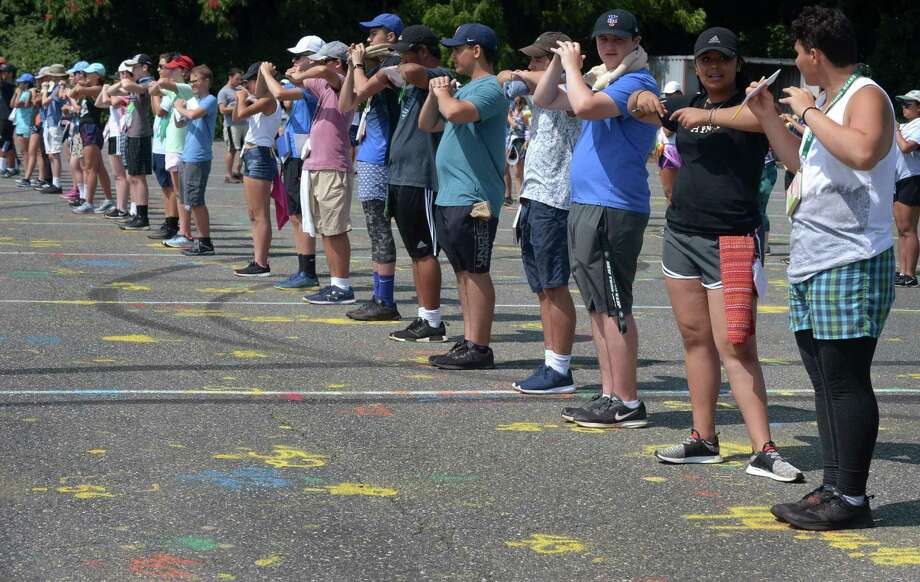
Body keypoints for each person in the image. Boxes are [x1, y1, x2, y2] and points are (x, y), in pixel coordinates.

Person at [746, 6, 897, 530]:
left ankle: (851, 498)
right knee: (823, 378)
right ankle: (834, 486)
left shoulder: (865, 95)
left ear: (814, 52)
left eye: (797, 51)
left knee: (846, 379)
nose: (794, 61)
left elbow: (863, 151)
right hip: (815, 257)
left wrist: (809, 112)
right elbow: (799, 164)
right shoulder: (832, 101)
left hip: (852, 257)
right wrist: (768, 115)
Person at [629, 27, 803, 482]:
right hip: (681, 236)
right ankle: (702, 438)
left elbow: (766, 126)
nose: (713, 67)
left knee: (738, 346)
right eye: (705, 60)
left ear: (737, 63)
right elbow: (639, 108)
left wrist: (703, 115)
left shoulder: (754, 106)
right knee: (694, 339)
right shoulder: (685, 101)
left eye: (721, 59)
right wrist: (645, 104)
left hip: (733, 239)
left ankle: (764, 448)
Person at [534, 9, 657, 425]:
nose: (609, 45)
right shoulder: (606, 80)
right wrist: (556, 61)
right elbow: (544, 99)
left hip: (613, 206)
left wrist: (572, 66)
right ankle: (609, 394)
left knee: (614, 307)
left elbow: (583, 107)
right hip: (589, 203)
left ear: (636, 42)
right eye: (603, 39)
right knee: (598, 307)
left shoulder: (634, 82)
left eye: (618, 39)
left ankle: (627, 400)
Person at [420, 23, 507, 370]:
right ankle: (470, 339)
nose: (452, 55)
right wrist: (433, 94)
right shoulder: (465, 89)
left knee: (476, 269)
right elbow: (429, 123)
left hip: (477, 197)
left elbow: (455, 113)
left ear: (477, 50)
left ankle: (481, 348)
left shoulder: (489, 88)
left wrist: (445, 96)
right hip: (453, 196)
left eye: (458, 48)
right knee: (462, 270)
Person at [498, 31, 581, 393]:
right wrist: (517, 75)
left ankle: (560, 368)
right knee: (543, 289)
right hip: (534, 197)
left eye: (538, 59)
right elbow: (507, 82)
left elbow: (531, 82)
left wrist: (524, 74)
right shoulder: (542, 85)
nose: (530, 65)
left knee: (554, 286)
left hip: (556, 199)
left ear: (558, 61)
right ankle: (551, 362)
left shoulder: (575, 88)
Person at [386, 25, 451, 343]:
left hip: (421, 176)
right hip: (402, 176)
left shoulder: (440, 75)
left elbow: (410, 70)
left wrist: (386, 57)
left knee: (425, 251)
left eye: (405, 51)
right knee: (415, 252)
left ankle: (433, 321)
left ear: (423, 52)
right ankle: (425, 315)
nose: (400, 59)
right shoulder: (416, 80)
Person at [338, 13, 404, 320]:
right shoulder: (375, 67)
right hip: (370, 156)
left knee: (380, 229)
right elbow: (345, 105)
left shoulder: (393, 67)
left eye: (373, 33)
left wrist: (360, 64)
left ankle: (385, 300)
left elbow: (363, 91)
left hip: (382, 157)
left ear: (390, 37)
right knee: (374, 228)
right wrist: (353, 65)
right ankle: (380, 296)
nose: (367, 39)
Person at [290, 41, 358, 305]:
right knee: (326, 230)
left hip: (333, 166)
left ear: (336, 63)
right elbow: (297, 79)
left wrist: (307, 70)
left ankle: (342, 286)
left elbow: (321, 74)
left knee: (335, 229)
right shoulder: (324, 84)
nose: (316, 65)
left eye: (322, 61)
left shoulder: (342, 81)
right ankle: (334, 284)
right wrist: (300, 70)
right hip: (317, 164)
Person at [259, 35, 324, 289]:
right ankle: (303, 269)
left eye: (299, 56)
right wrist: (267, 77)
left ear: (313, 59)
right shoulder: (301, 81)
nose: (294, 60)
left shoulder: (313, 83)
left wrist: (267, 73)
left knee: (303, 214)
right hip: (291, 154)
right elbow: (266, 94)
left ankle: (308, 271)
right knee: (296, 213)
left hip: (302, 153)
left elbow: (278, 92)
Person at [231, 62, 283, 274]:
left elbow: (242, 114)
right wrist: (239, 101)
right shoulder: (260, 99)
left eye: (251, 81)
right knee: (253, 213)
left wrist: (241, 99)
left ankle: (261, 263)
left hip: (260, 155)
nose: (249, 86)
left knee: (260, 214)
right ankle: (258, 260)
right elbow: (236, 117)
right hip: (253, 154)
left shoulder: (269, 99)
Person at [172, 65, 219, 257]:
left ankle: (205, 242)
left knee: (196, 201)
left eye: (196, 80)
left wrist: (180, 107)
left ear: (206, 81)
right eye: (190, 81)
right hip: (187, 155)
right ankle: (198, 239)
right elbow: (181, 121)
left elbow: (191, 115)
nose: (192, 84)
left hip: (198, 157)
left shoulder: (209, 100)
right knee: (187, 200)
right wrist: (180, 110)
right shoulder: (195, 101)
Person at [108, 53, 156, 230]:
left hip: (139, 133)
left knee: (138, 177)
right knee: (132, 176)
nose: (131, 71)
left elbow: (127, 86)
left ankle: (143, 217)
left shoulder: (146, 82)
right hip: (131, 132)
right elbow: (111, 92)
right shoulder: (135, 83)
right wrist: (123, 81)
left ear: (144, 68)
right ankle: (137, 214)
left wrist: (125, 80)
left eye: (134, 67)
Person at [150, 54, 195, 243]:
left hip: (180, 148)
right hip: (172, 147)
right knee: (179, 194)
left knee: (182, 194)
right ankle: (182, 231)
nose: (168, 70)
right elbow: (153, 90)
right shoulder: (176, 91)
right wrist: (160, 83)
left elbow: (159, 85)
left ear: (183, 71)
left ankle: (185, 232)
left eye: (173, 68)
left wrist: (162, 79)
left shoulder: (186, 88)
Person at [67, 63, 113, 213]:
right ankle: (108, 199)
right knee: (99, 167)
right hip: (86, 128)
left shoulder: (98, 88)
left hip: (91, 128)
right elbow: (72, 94)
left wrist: (81, 84)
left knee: (90, 168)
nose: (85, 75)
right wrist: (80, 85)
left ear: (97, 75)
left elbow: (77, 91)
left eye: (89, 73)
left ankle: (89, 202)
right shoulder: (89, 88)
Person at [893, 89, 920, 286]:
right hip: (901, 179)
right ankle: (903, 271)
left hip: (913, 178)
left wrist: (896, 131)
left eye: (908, 104)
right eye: (903, 104)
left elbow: (906, 147)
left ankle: (909, 274)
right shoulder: (908, 125)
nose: (904, 107)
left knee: (909, 229)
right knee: (902, 229)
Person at [38, 64, 68, 194]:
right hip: (49, 123)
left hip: (56, 123)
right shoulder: (55, 87)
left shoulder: (58, 88)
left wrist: (44, 90)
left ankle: (57, 184)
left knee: (55, 154)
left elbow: (45, 102)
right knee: (51, 154)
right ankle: (54, 182)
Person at [656, 80, 683, 204]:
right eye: (667, 95)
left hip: (672, 149)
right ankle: (670, 220)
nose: (668, 98)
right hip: (662, 147)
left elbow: (668, 131)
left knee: (672, 192)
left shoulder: (682, 107)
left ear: (680, 94)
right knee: (668, 192)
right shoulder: (666, 107)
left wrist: (662, 119)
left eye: (671, 95)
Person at [217, 67, 246, 183]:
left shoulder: (240, 89)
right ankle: (228, 174)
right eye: (237, 79)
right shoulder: (224, 92)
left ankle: (238, 171)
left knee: (244, 150)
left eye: (240, 79)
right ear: (230, 77)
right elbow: (222, 110)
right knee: (232, 149)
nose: (239, 82)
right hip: (232, 125)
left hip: (244, 123)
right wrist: (236, 108)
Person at [12, 72, 39, 188]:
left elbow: (20, 104)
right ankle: (27, 175)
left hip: (26, 125)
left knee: (27, 152)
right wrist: (15, 93)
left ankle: (28, 176)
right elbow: (12, 104)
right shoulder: (22, 92)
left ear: (27, 84)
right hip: (20, 124)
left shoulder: (28, 93)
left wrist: (18, 94)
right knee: (23, 152)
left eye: (21, 82)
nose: (19, 84)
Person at [503, 95, 529, 206]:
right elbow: (506, 117)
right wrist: (509, 118)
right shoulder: (510, 106)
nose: (514, 97)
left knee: (518, 173)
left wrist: (527, 140)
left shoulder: (526, 109)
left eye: (516, 95)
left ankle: (521, 199)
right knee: (504, 169)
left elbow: (528, 126)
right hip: (507, 141)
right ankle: (507, 196)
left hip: (519, 141)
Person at [0, 62, 17, 177]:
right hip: (3, 116)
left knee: (5, 142)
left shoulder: (9, 84)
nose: (2, 74)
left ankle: (3, 167)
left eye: (4, 72)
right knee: (8, 143)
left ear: (10, 74)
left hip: (7, 118)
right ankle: (12, 167)